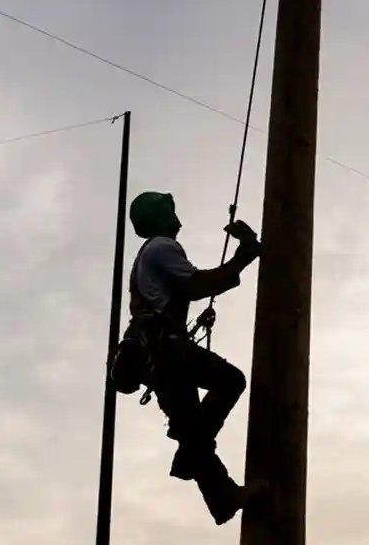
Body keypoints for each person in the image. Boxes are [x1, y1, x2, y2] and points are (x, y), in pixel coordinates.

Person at [120, 191, 261, 525]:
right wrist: (241, 258)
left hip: (155, 354)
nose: (178, 219)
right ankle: (194, 459)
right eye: (171, 212)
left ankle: (217, 491)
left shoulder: (146, 254)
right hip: (165, 350)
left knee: (192, 428)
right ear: (160, 217)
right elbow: (194, 286)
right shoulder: (161, 247)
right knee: (229, 382)